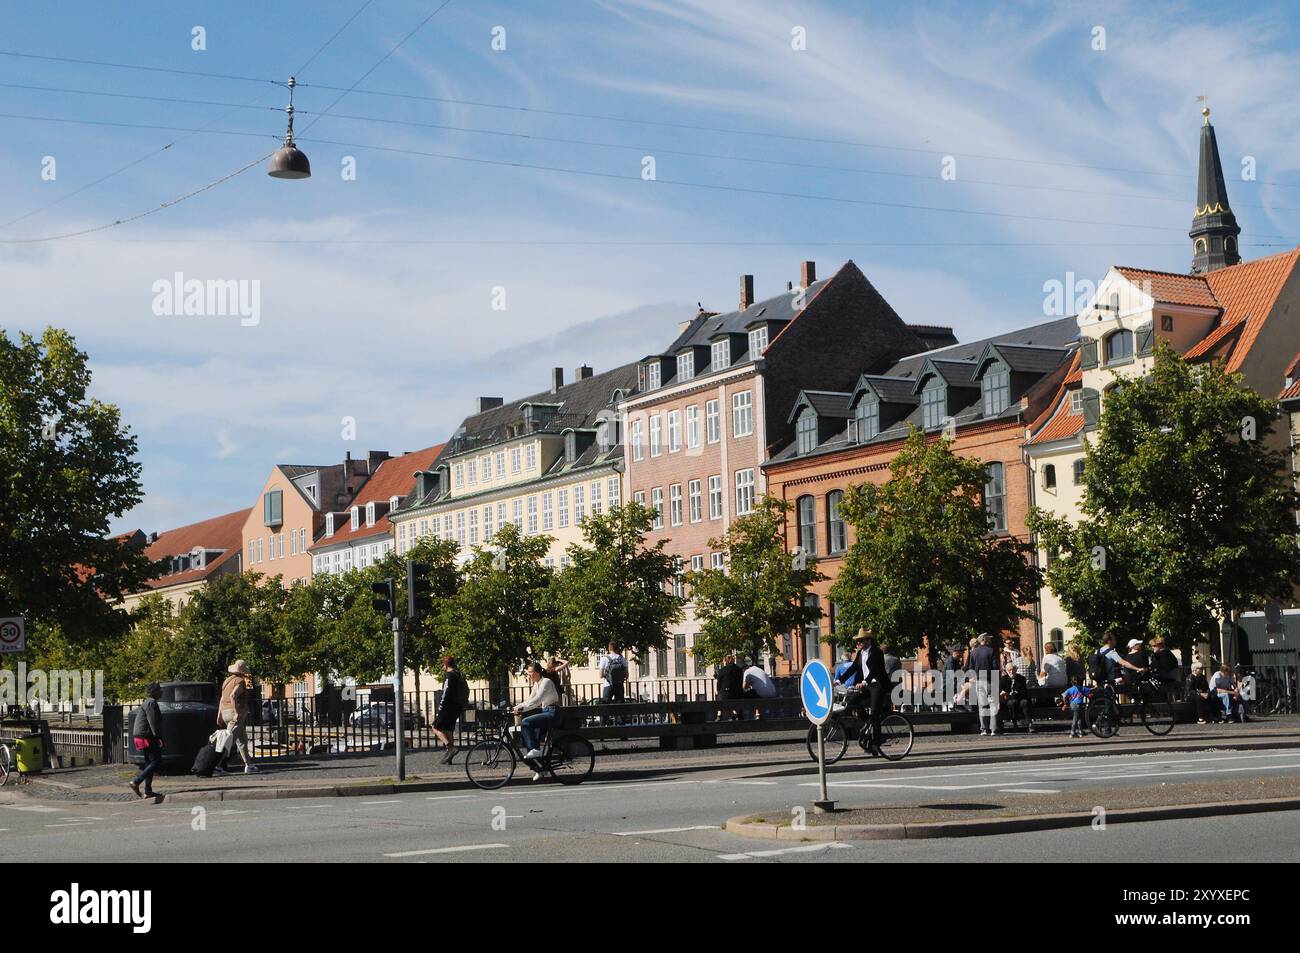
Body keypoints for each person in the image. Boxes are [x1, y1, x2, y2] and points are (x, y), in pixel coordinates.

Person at [842, 630, 890, 753]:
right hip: (867, 685)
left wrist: (864, 682)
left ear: (868, 641)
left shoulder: (876, 652)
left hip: (878, 685)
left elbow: (875, 670)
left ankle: (875, 743)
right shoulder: (860, 653)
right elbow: (853, 668)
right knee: (852, 704)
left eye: (860, 640)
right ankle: (869, 723)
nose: (858, 643)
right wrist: (839, 680)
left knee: (875, 713)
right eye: (857, 641)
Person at [514, 662, 561, 763]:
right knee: (530, 739)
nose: (529, 674)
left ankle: (535, 751)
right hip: (546, 711)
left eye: (531, 672)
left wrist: (521, 708)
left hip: (552, 713)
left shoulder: (546, 682)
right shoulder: (536, 684)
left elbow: (537, 700)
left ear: (537, 672)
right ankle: (540, 768)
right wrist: (516, 707)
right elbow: (529, 700)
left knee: (526, 722)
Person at [217, 660, 257, 773]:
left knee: (242, 740)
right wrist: (236, 713)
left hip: (225, 712)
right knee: (228, 740)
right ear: (243, 671)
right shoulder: (240, 681)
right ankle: (217, 765)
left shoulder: (226, 681)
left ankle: (249, 765)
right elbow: (233, 696)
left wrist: (219, 716)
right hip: (235, 714)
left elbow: (222, 699)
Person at [129, 682, 164, 798]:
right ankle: (136, 781)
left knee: (149, 763)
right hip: (146, 737)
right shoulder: (151, 702)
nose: (161, 691)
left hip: (143, 736)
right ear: (154, 691)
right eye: (159, 689)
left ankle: (148, 791)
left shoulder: (148, 702)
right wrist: (158, 737)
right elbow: (152, 721)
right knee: (156, 761)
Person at [433, 656, 468, 764]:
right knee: (449, 730)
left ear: (446, 665)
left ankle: (450, 748)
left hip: (448, 705)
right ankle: (449, 758)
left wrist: (440, 706)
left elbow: (446, 692)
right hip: (457, 706)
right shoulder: (459, 675)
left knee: (435, 727)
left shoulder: (449, 675)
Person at [969, 633, 1001, 736]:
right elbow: (995, 667)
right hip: (990, 680)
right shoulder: (991, 651)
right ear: (984, 639)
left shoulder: (973, 652)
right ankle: (993, 729)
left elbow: (971, 668)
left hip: (979, 681)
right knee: (993, 705)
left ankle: (983, 729)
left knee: (982, 706)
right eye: (988, 638)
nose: (990, 640)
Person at [1000, 660, 1035, 732]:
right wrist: (1006, 693)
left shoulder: (1021, 678)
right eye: (1009, 670)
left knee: (1025, 702)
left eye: (1013, 670)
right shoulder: (1003, 679)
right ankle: (1015, 725)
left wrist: (1011, 694)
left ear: (1016, 670)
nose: (1011, 672)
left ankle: (1030, 724)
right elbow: (1001, 691)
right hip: (1010, 701)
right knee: (1012, 703)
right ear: (1006, 671)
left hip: (1021, 698)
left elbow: (1023, 692)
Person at [716, 654, 744, 720]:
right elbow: (740, 682)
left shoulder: (722, 670)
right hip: (737, 694)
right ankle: (736, 713)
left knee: (721, 697)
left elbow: (719, 684)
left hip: (725, 694)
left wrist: (718, 691)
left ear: (726, 661)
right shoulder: (739, 670)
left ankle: (719, 714)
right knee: (734, 699)